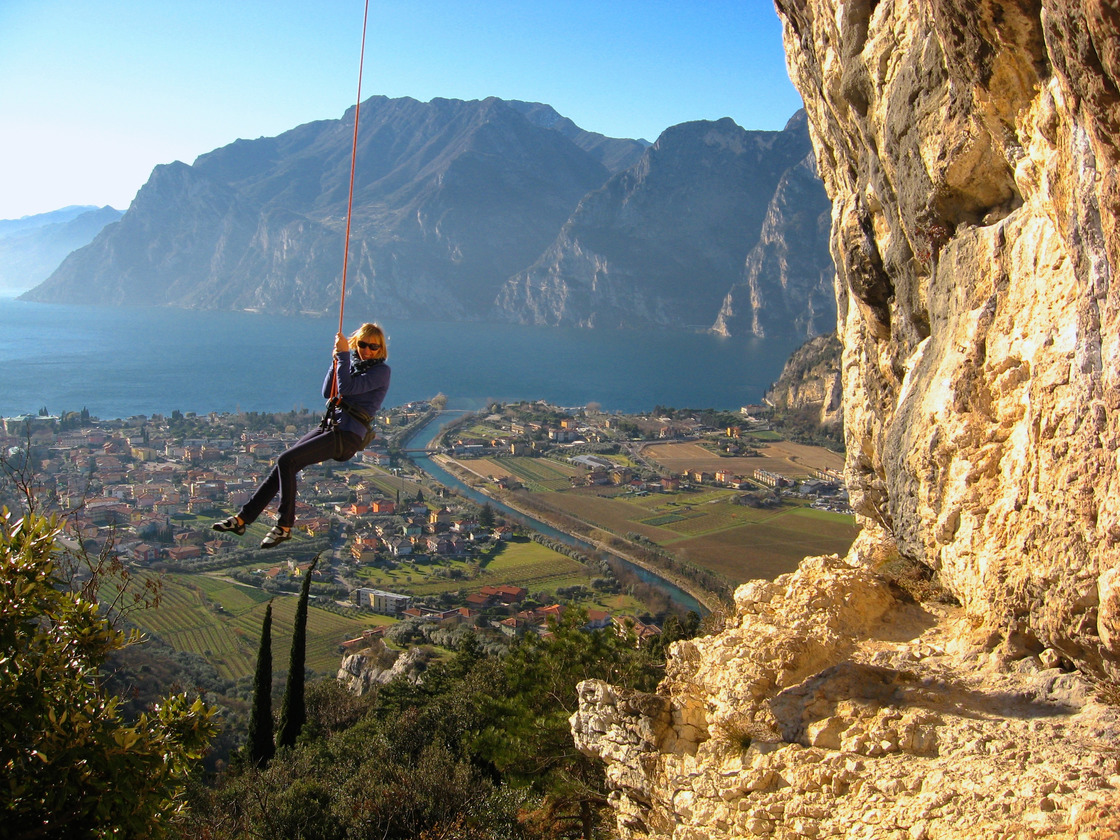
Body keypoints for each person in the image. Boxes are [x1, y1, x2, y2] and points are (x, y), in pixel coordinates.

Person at [213, 323, 391, 548]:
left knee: (286, 460)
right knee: (283, 466)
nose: (367, 350)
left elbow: (346, 389)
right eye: (363, 345)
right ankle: (242, 519)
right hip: (331, 427)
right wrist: (336, 360)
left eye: (373, 346)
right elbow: (328, 391)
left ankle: (284, 525)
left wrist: (344, 355)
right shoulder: (352, 365)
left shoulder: (381, 371)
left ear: (380, 349)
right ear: (357, 344)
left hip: (347, 435)